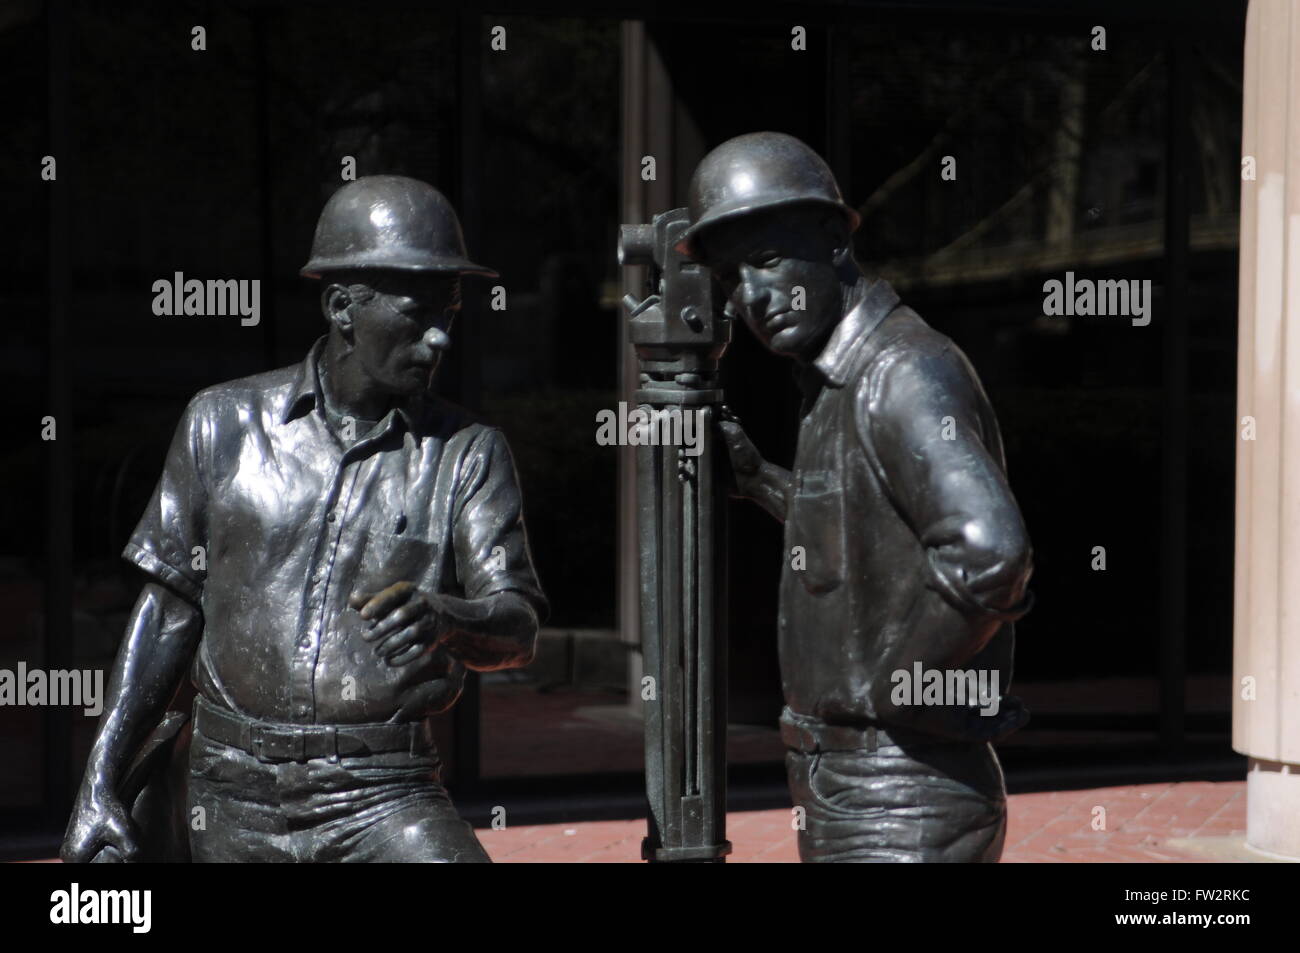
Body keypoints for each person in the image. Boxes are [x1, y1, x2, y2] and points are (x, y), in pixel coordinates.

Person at [62, 175, 546, 863]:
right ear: (342, 306)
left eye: (451, 311)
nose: (439, 337)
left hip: (383, 792)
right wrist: (100, 779)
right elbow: (168, 610)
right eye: (417, 313)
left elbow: (518, 627)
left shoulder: (467, 455)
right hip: (226, 789)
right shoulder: (220, 424)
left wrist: (449, 618)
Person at [685, 132, 1034, 862]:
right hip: (850, 784)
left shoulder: (902, 370)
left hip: (902, 787)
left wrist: (895, 690)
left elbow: (991, 552)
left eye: (770, 260)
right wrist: (762, 483)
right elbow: (870, 538)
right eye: (729, 277)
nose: (751, 296)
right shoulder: (835, 380)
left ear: (831, 240)